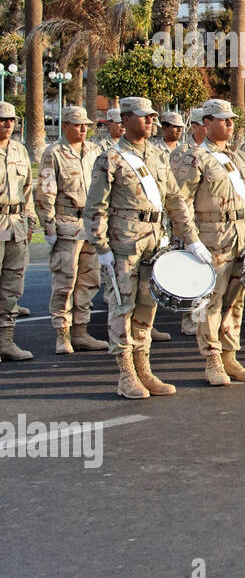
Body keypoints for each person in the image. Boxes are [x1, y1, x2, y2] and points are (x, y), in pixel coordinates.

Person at [84, 97, 204, 396]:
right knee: (121, 306)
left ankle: (144, 369)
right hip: (124, 242)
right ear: (125, 121)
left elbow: (175, 200)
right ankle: (126, 374)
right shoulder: (111, 158)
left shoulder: (157, 156)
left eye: (152, 117)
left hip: (153, 239)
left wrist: (191, 238)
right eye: (143, 117)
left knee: (147, 306)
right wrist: (101, 247)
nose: (150, 121)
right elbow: (95, 207)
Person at [171, 98, 245, 385]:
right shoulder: (195, 158)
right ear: (206, 123)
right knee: (210, 301)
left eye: (232, 119)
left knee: (235, 302)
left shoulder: (238, 158)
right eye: (222, 119)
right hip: (212, 239)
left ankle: (229, 355)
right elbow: (179, 202)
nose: (229, 123)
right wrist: (190, 239)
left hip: (242, 237)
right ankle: (212, 360)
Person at [36, 105, 109, 355]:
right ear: (65, 125)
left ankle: (81, 332)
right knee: (65, 281)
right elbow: (45, 193)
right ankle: (62, 334)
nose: (83, 129)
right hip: (66, 225)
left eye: (86, 125)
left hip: (91, 226)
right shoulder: (53, 153)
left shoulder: (95, 151)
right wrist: (49, 226)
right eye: (78, 124)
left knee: (89, 281)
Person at [0, 100, 36, 362]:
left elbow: (27, 191)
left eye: (11, 120)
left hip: (15, 225)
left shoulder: (19, 151)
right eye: (3, 120)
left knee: (12, 287)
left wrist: (30, 220)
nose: (8, 124)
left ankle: (6, 341)